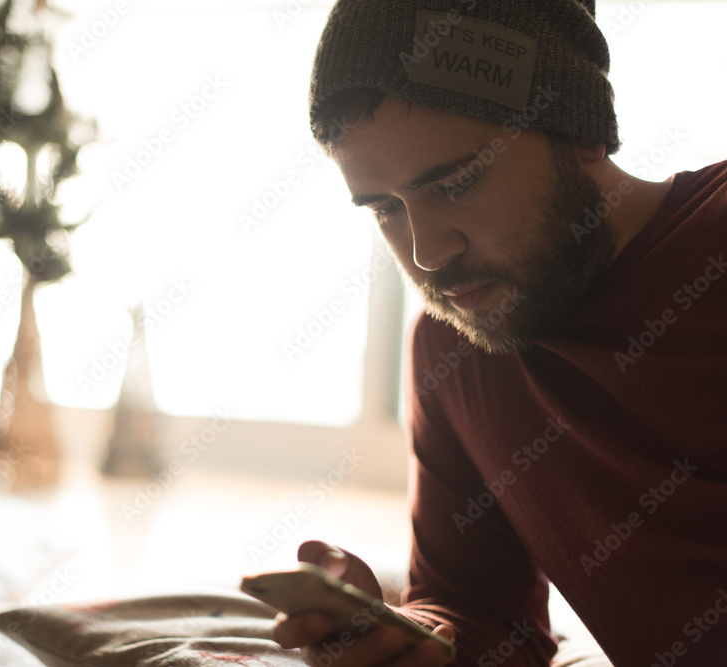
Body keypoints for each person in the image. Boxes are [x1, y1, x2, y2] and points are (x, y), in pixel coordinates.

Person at [271, 0, 727, 665]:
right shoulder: (454, 348)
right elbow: (482, 617)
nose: (426, 251)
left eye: (456, 182)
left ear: (580, 131)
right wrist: (407, 638)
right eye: (385, 210)